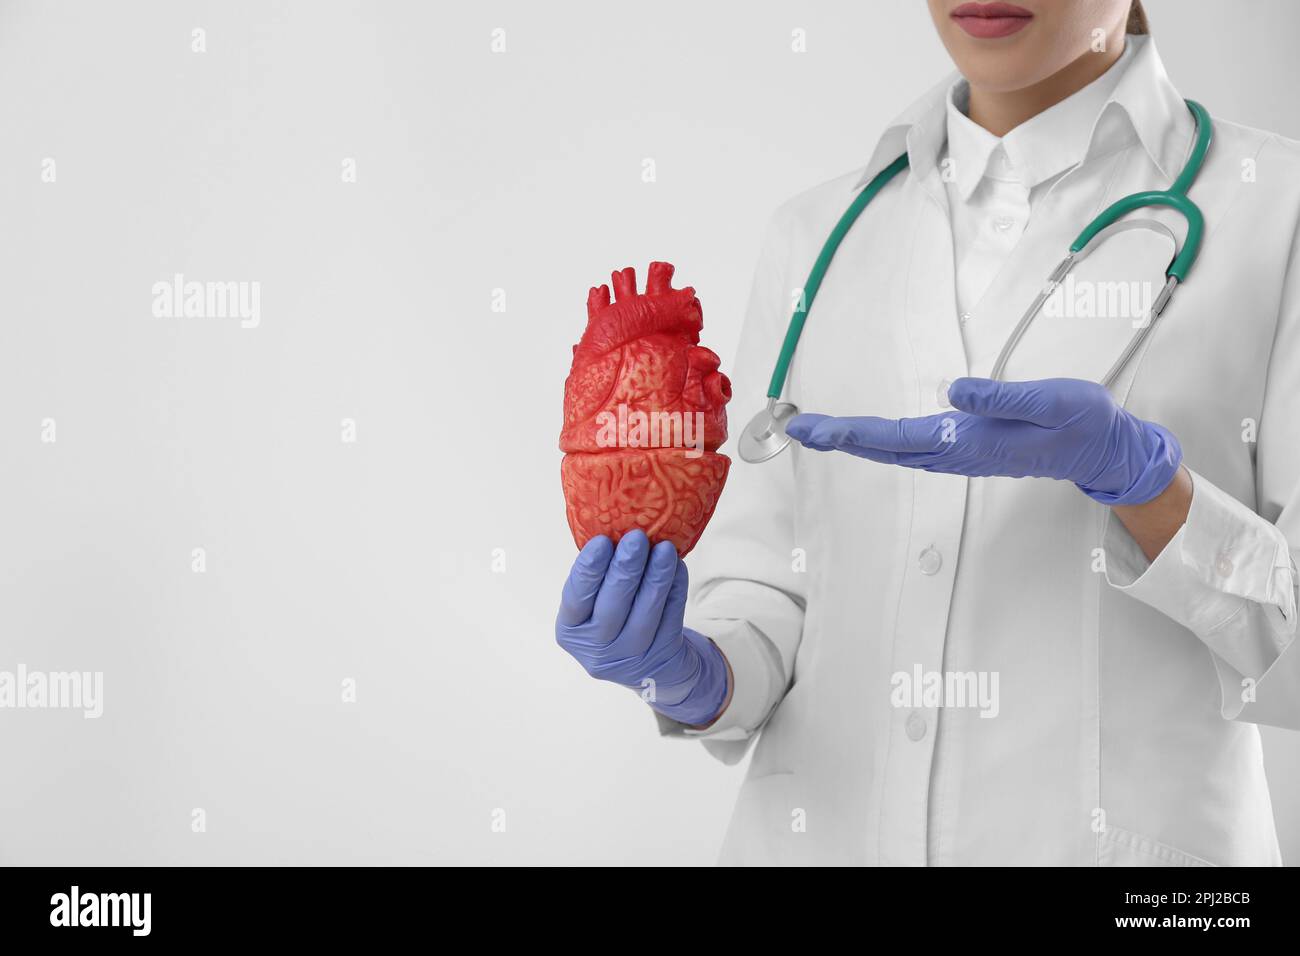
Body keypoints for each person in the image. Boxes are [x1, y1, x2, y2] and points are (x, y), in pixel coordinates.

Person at [555, 0, 1300, 865]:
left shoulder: (1274, 210)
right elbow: (766, 590)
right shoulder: (817, 235)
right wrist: (688, 669)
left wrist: (1147, 488)